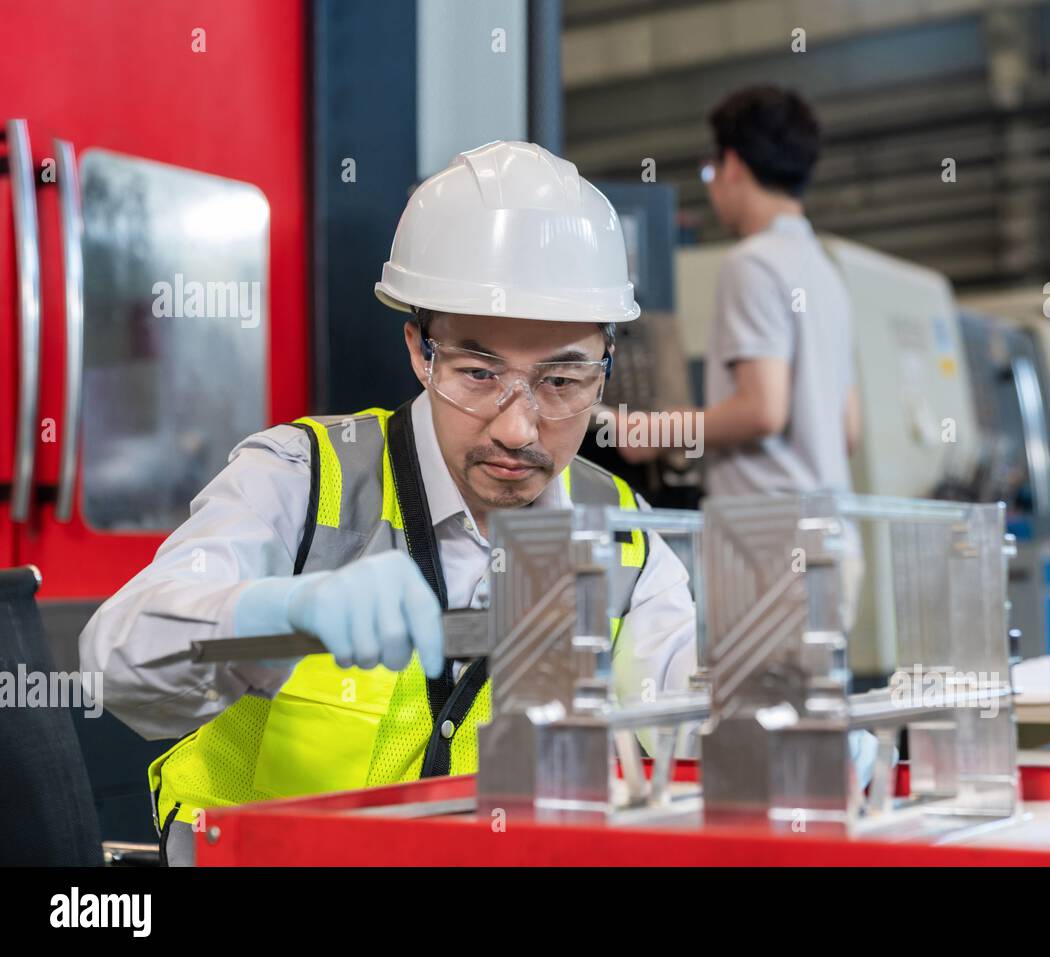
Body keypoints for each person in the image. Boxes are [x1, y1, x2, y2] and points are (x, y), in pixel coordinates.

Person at [80, 141, 698, 866]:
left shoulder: (624, 542)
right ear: (418, 350)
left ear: (605, 372)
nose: (517, 426)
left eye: (561, 381)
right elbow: (113, 662)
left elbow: (686, 721)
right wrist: (272, 615)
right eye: (477, 372)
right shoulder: (303, 480)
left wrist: (784, 733)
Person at [616, 86, 864, 624]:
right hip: (835, 539)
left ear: (731, 164)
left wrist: (653, 432)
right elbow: (846, 429)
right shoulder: (825, 273)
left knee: (758, 707)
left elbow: (763, 410)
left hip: (772, 548)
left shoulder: (752, 264)